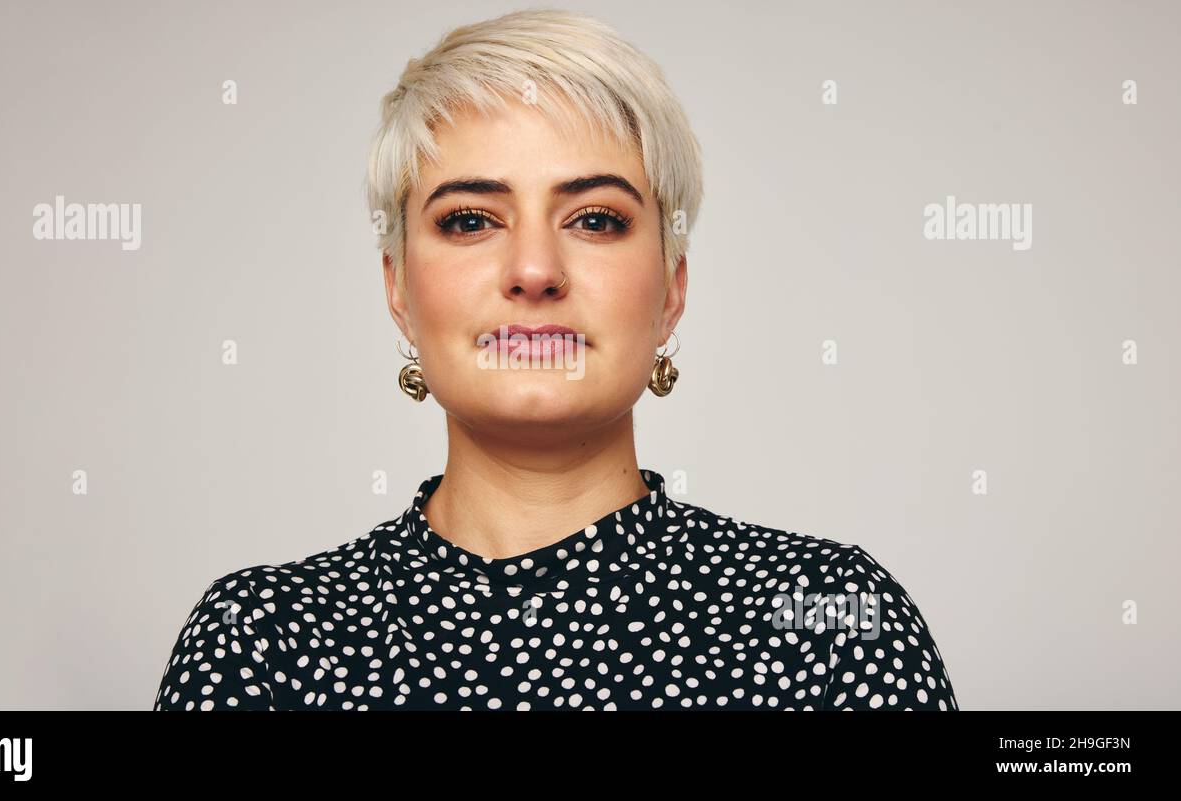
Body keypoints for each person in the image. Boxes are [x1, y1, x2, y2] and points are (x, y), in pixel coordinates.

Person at [153, 8, 958, 711]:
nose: (534, 271)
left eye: (596, 219)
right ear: (398, 287)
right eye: (470, 219)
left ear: (671, 289)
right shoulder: (259, 643)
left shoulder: (830, 623)